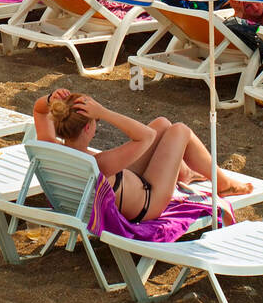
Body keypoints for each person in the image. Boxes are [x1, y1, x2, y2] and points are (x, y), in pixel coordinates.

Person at [34, 90, 251, 224]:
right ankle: (223, 184)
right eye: (96, 121)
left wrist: (52, 97)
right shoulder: (102, 163)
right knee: (180, 131)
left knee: (163, 124)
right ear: (89, 127)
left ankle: (184, 173)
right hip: (149, 202)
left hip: (119, 189)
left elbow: (39, 111)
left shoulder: (51, 148)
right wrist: (105, 112)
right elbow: (146, 137)